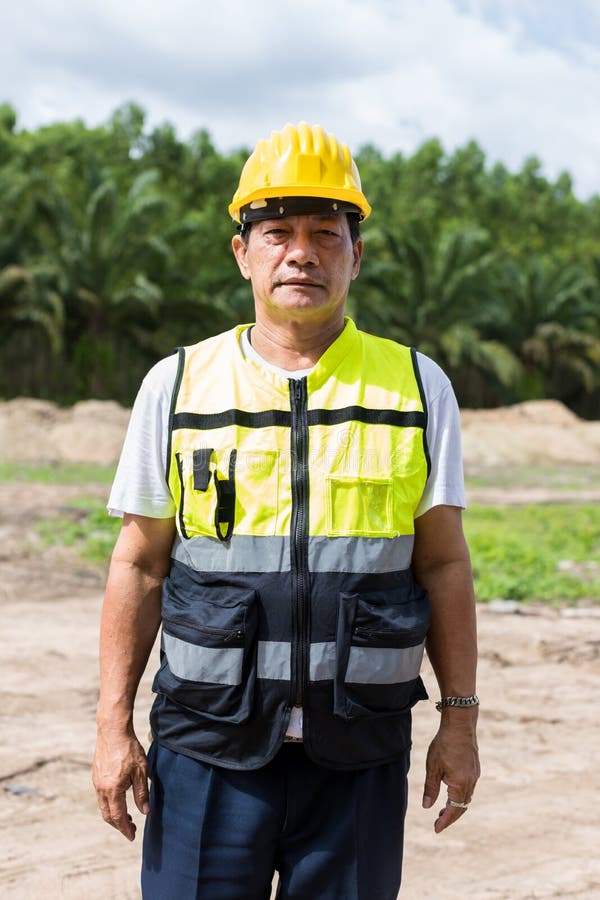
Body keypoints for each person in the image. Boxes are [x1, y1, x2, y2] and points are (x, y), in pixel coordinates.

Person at [93, 121, 480, 899]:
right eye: (276, 232)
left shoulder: (414, 387)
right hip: (207, 750)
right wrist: (112, 726)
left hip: (358, 756)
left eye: (323, 233)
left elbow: (442, 561)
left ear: (355, 254)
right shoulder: (177, 386)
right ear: (243, 253)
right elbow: (138, 563)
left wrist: (461, 719)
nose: (300, 251)